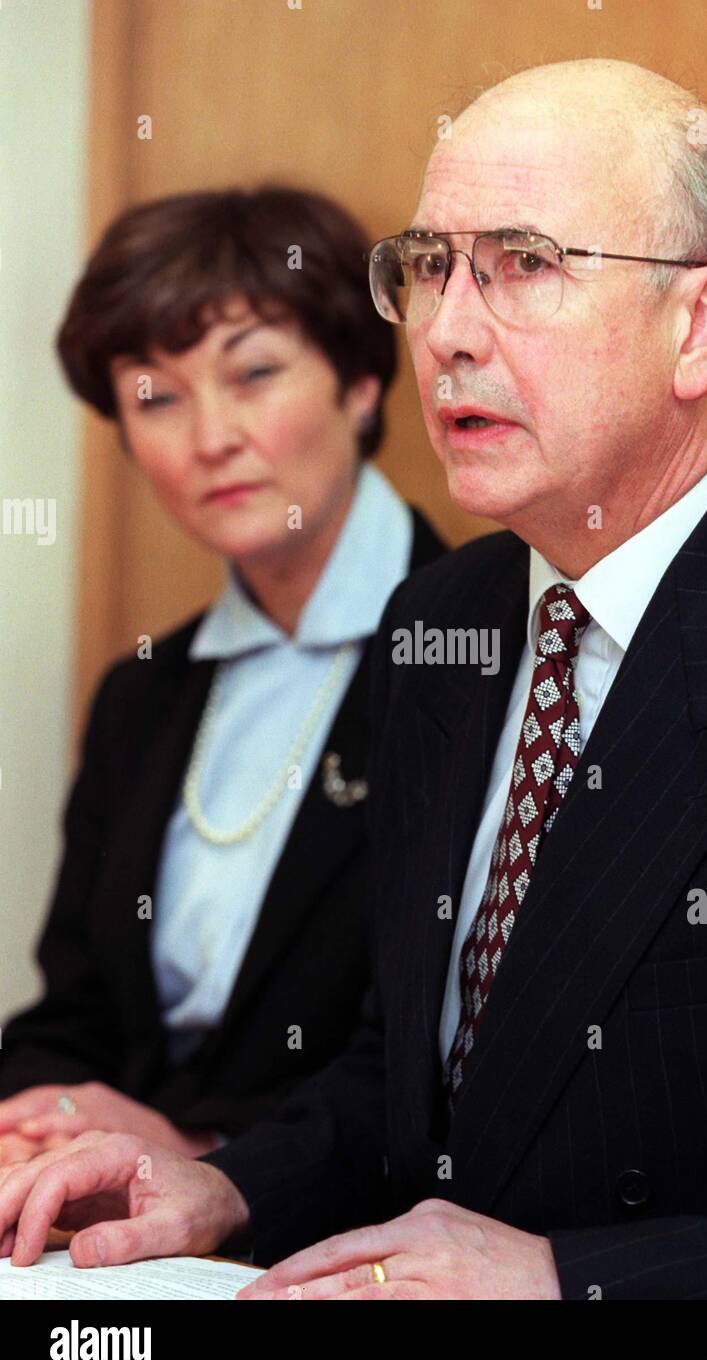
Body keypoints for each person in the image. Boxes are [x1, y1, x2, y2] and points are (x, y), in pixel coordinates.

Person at [0, 61, 707, 1301]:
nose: (448, 331)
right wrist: (230, 1182)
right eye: (428, 268)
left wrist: (566, 1279)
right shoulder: (445, 621)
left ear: (701, 325)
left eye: (523, 263)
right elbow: (414, 1076)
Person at [0, 186, 443, 1165]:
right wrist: (41, 1117)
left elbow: (463, 1056)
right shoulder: (142, 693)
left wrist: (204, 1149)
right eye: (157, 397)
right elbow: (71, 1016)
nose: (210, 438)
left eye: (253, 374)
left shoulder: (487, 650)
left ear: (360, 382)